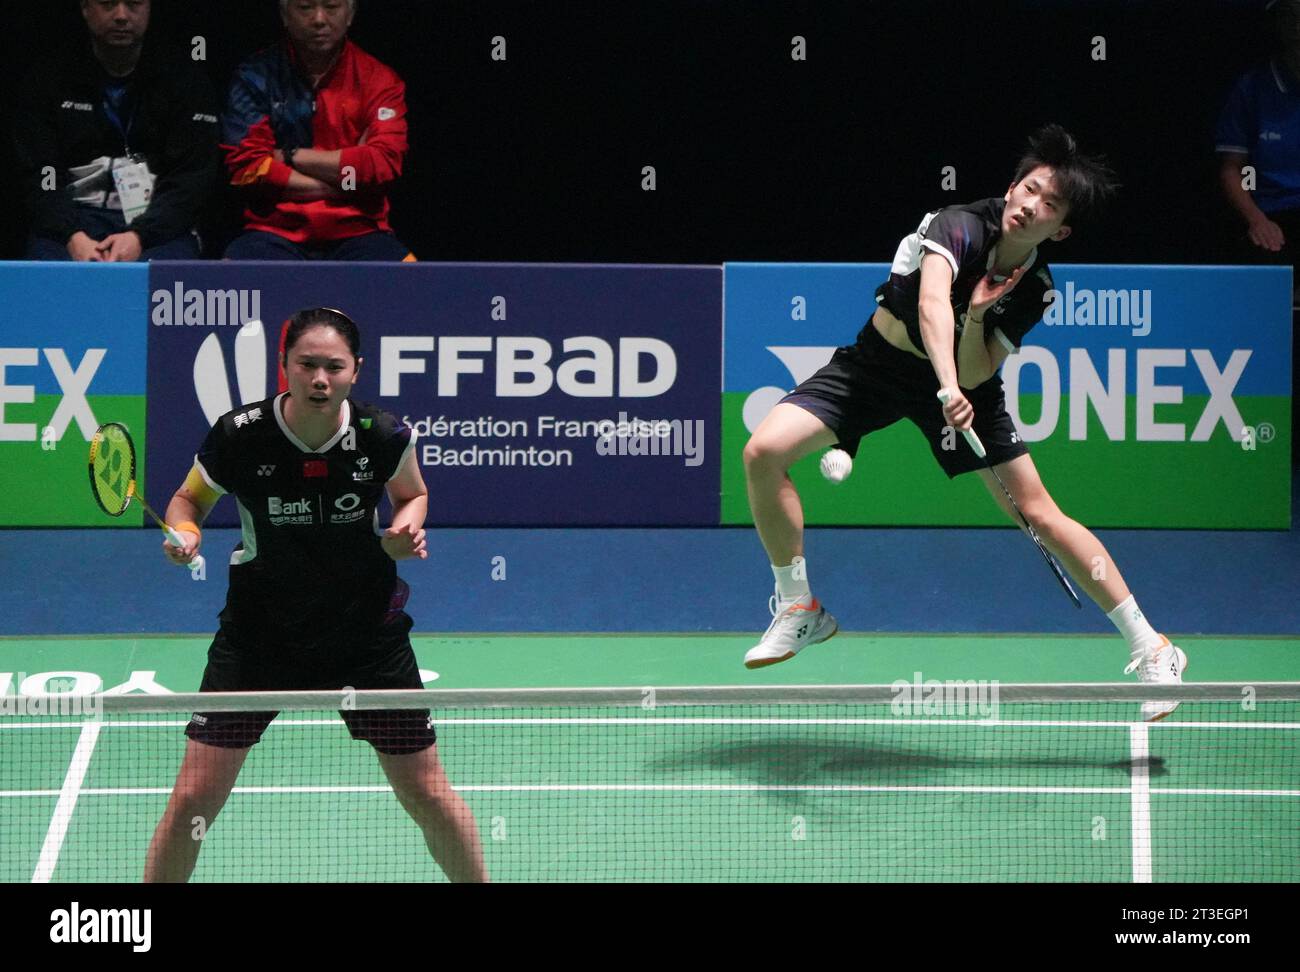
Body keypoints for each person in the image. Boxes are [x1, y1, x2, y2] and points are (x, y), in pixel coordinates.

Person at [741, 125, 1188, 721]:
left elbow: (979, 371)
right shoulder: (956, 224)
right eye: (1028, 189)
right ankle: (799, 608)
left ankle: (1152, 646)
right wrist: (947, 380)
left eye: (1049, 205)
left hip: (963, 387)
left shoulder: (1037, 288)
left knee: (1038, 514)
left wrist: (976, 321)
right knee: (762, 452)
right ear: (1011, 188)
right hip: (877, 366)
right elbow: (930, 304)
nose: (1031, 206)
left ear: (1061, 230)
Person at [143, 307, 486, 882]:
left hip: (365, 635)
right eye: (307, 365)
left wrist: (403, 531)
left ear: (356, 371)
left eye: (334, 366)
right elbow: (188, 500)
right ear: (284, 368)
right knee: (193, 802)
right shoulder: (240, 436)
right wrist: (187, 534)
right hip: (259, 638)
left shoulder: (383, 437)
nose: (320, 379)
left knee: (427, 793)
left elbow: (413, 494)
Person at [13, 0, 219, 261]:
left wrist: (140, 236)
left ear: (149, 9)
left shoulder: (186, 80)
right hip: (70, 225)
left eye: (134, 4)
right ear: (86, 9)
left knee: (176, 281)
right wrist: (71, 236)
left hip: (157, 225)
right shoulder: (47, 79)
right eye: (108, 4)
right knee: (43, 281)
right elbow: (40, 174)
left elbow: (192, 178)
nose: (121, 15)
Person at [220, 0, 413, 260]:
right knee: (229, 281)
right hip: (273, 232)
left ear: (350, 14)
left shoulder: (380, 80)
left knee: (412, 282)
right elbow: (246, 167)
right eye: (305, 7)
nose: (319, 19)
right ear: (285, 15)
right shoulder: (253, 77)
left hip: (361, 232)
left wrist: (287, 156)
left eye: (331, 7)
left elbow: (383, 164)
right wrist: (346, 183)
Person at [1216, 0, 1300, 294]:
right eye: (1290, 13)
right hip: (1273, 214)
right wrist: (1257, 220)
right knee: (1265, 268)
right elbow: (1231, 169)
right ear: (1278, 22)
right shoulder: (1252, 88)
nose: (1298, 23)